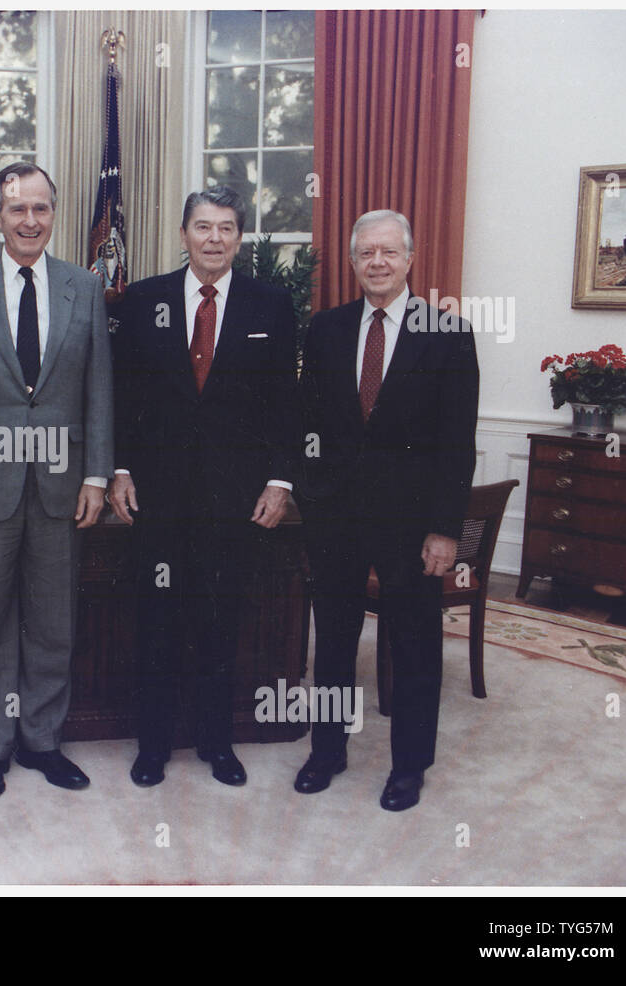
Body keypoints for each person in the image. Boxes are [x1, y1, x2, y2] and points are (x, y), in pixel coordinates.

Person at [0, 162, 113, 799]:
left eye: (41, 208)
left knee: (52, 618)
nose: (30, 220)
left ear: (54, 214)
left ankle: (42, 741)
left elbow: (98, 391)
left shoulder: (82, 286)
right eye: (17, 209)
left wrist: (96, 474)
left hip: (64, 486)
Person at [109, 186, 300, 788]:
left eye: (225, 228)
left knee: (221, 622)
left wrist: (278, 480)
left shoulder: (272, 305)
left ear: (239, 238)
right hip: (158, 498)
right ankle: (153, 745)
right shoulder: (143, 302)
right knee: (157, 621)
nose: (213, 238)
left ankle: (219, 742)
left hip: (233, 498)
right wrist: (117, 468)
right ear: (183, 233)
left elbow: (286, 404)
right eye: (202, 226)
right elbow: (120, 395)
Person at [292, 209, 478, 811]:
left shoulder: (448, 333)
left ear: (409, 259)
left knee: (416, 645)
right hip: (336, 519)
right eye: (366, 253)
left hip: (412, 525)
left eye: (389, 253)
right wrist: (312, 494)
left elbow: (457, 444)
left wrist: (445, 530)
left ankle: (409, 768)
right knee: (335, 641)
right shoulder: (325, 328)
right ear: (352, 261)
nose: (377, 262)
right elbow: (310, 423)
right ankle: (327, 751)